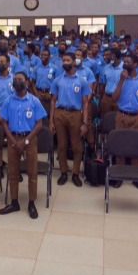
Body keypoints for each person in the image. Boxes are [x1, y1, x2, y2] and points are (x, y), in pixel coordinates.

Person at [0, 71, 47, 218]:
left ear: (26, 82)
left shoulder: (34, 101)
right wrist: (13, 141)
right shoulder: (8, 101)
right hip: (13, 139)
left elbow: (39, 124)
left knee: (32, 173)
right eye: (14, 79)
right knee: (13, 172)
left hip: (29, 139)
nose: (16, 81)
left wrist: (25, 141)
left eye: (19, 79)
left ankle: (31, 203)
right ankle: (14, 202)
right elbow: (3, 122)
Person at [110, 52, 138, 188]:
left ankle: (136, 177)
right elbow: (113, 99)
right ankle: (119, 176)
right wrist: (122, 81)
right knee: (120, 146)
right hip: (121, 116)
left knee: (135, 147)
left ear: (135, 64)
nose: (126, 64)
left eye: (128, 62)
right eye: (124, 62)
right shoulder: (120, 78)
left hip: (137, 117)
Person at [50, 52, 91, 188]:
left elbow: (85, 103)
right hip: (60, 113)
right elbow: (53, 101)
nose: (65, 62)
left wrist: (85, 122)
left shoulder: (81, 80)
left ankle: (75, 173)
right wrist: (50, 120)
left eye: (68, 60)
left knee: (76, 146)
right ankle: (63, 172)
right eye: (64, 60)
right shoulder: (57, 80)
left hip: (75, 114)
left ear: (74, 62)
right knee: (61, 146)